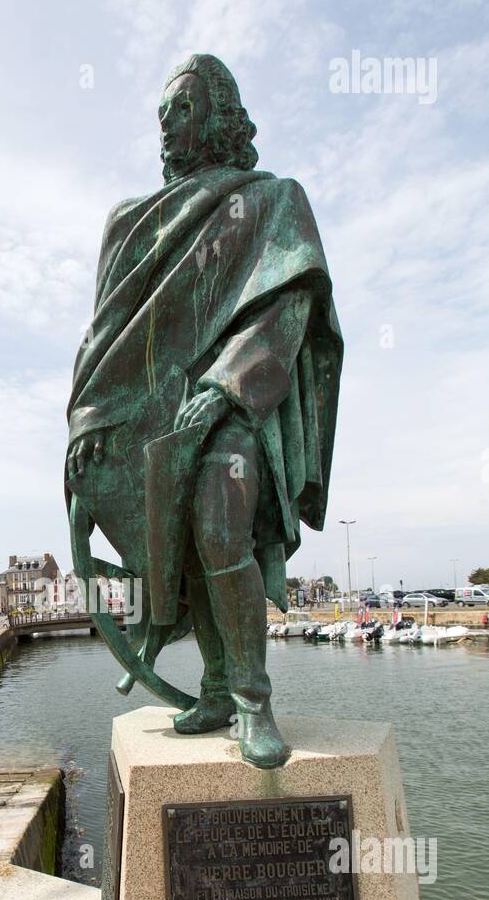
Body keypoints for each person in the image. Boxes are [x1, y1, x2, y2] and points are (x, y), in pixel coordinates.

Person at [65, 53, 342, 767]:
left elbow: (289, 308)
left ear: (219, 115)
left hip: (236, 401)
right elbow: (104, 334)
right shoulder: (129, 221)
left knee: (221, 516)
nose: (168, 128)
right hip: (145, 415)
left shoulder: (275, 200)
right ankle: (216, 685)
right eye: (162, 116)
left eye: (183, 111)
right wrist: (85, 421)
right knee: (178, 542)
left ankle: (253, 700)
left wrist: (224, 388)